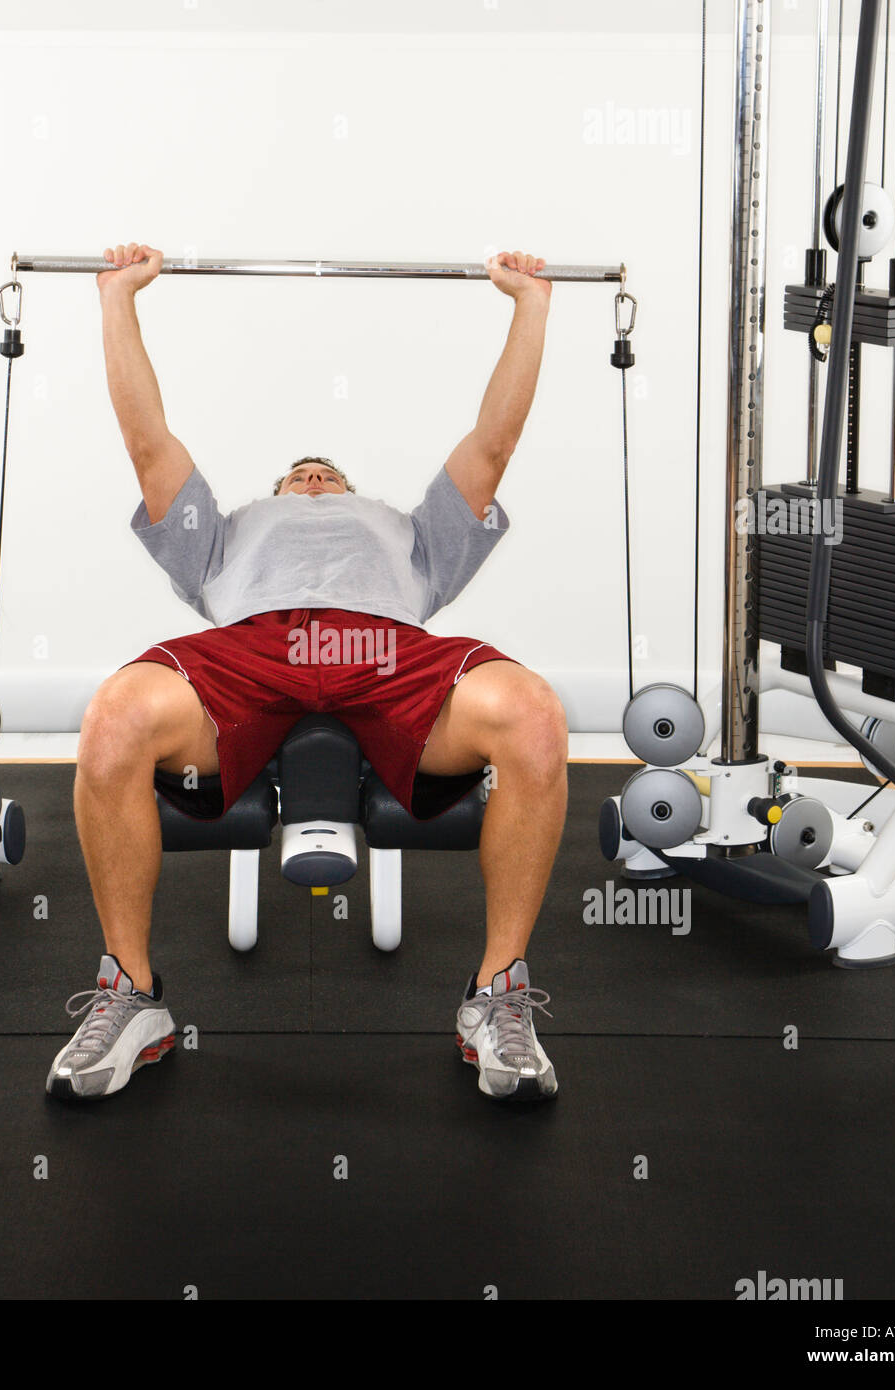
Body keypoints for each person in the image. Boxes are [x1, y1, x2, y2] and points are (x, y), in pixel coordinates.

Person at [48, 242, 568, 1103]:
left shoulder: (408, 530)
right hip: (249, 649)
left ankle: (498, 998)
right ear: (277, 493)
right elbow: (147, 442)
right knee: (113, 718)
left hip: (386, 649)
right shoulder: (226, 530)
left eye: (328, 471)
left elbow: (492, 444)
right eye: (299, 472)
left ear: (357, 492)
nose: (314, 473)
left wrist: (531, 308)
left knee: (535, 715)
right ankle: (130, 997)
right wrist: (117, 300)